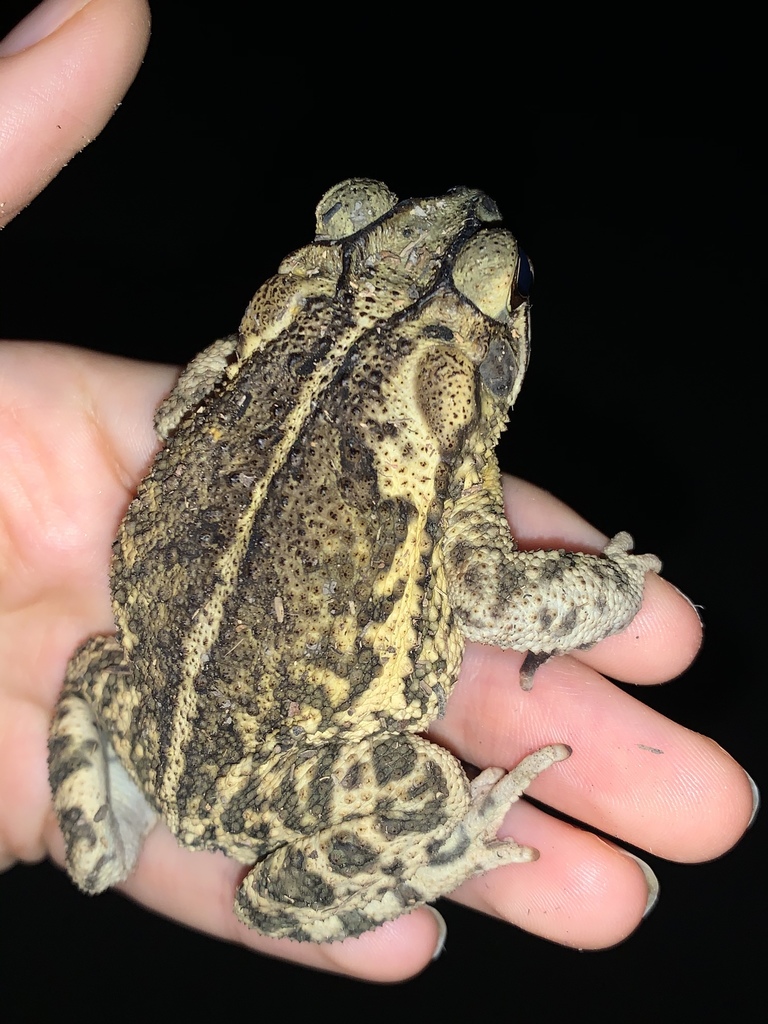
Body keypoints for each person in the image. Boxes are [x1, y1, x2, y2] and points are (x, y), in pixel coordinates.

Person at [0, 0, 756, 983]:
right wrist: (609, 589)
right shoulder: (444, 474)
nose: (446, 213)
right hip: (234, 740)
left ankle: (113, 843)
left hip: (149, 698)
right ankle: (330, 871)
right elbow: (496, 596)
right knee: (422, 795)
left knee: (118, 763)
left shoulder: (234, 377)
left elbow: (181, 404)